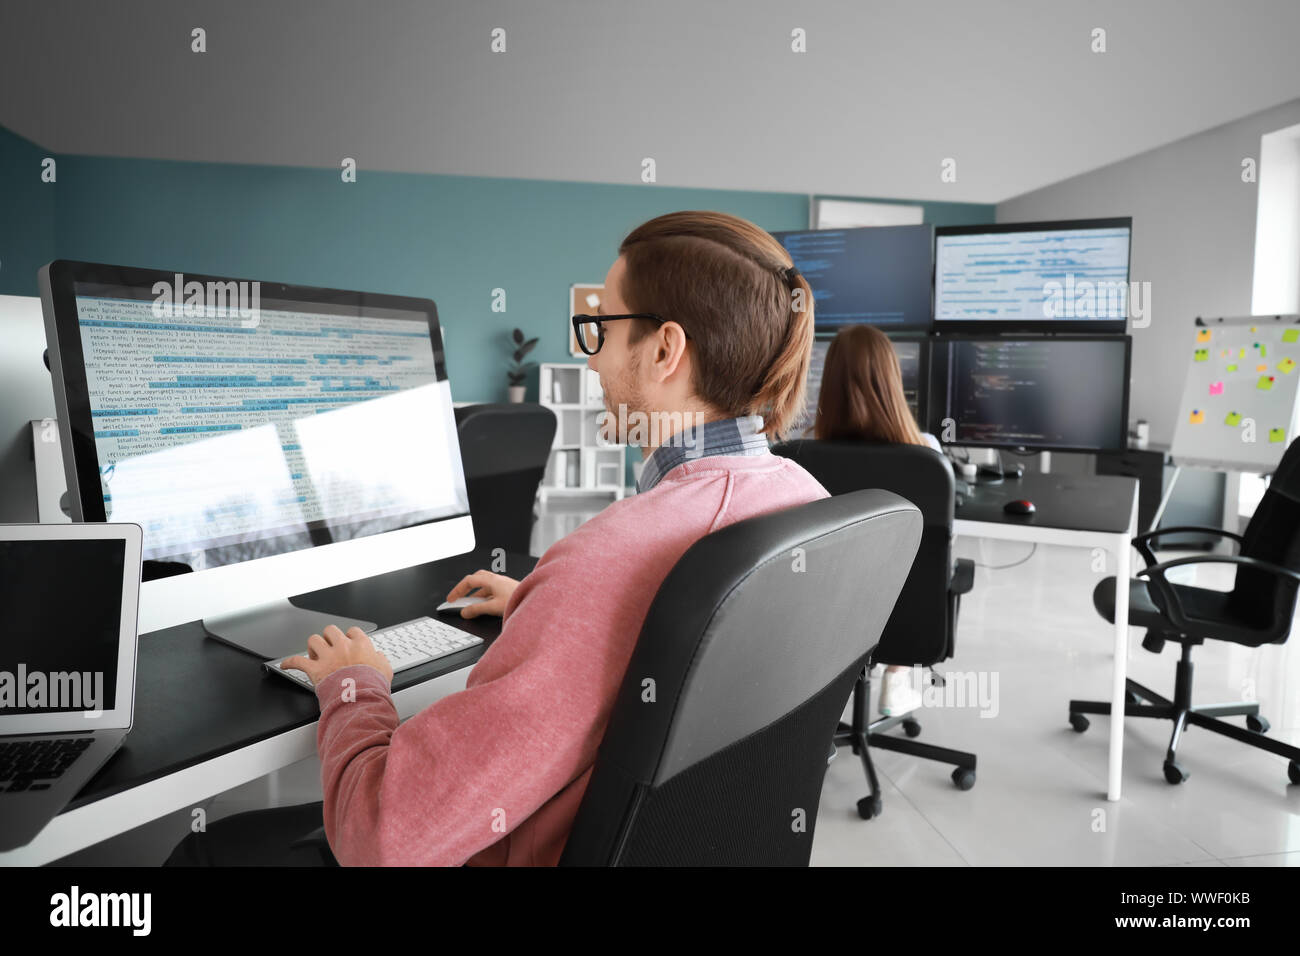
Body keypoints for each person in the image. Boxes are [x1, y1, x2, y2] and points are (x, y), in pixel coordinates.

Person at [167, 210, 827, 866]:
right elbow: (695, 656)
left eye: (600, 329)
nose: (590, 359)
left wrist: (355, 686)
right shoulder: (801, 500)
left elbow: (382, 839)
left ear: (664, 350)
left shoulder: (607, 561)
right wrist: (549, 608)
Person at [814, 323, 952, 718]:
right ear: (892, 380)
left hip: (827, 624)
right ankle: (896, 676)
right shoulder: (927, 455)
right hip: (907, 622)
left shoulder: (801, 454)